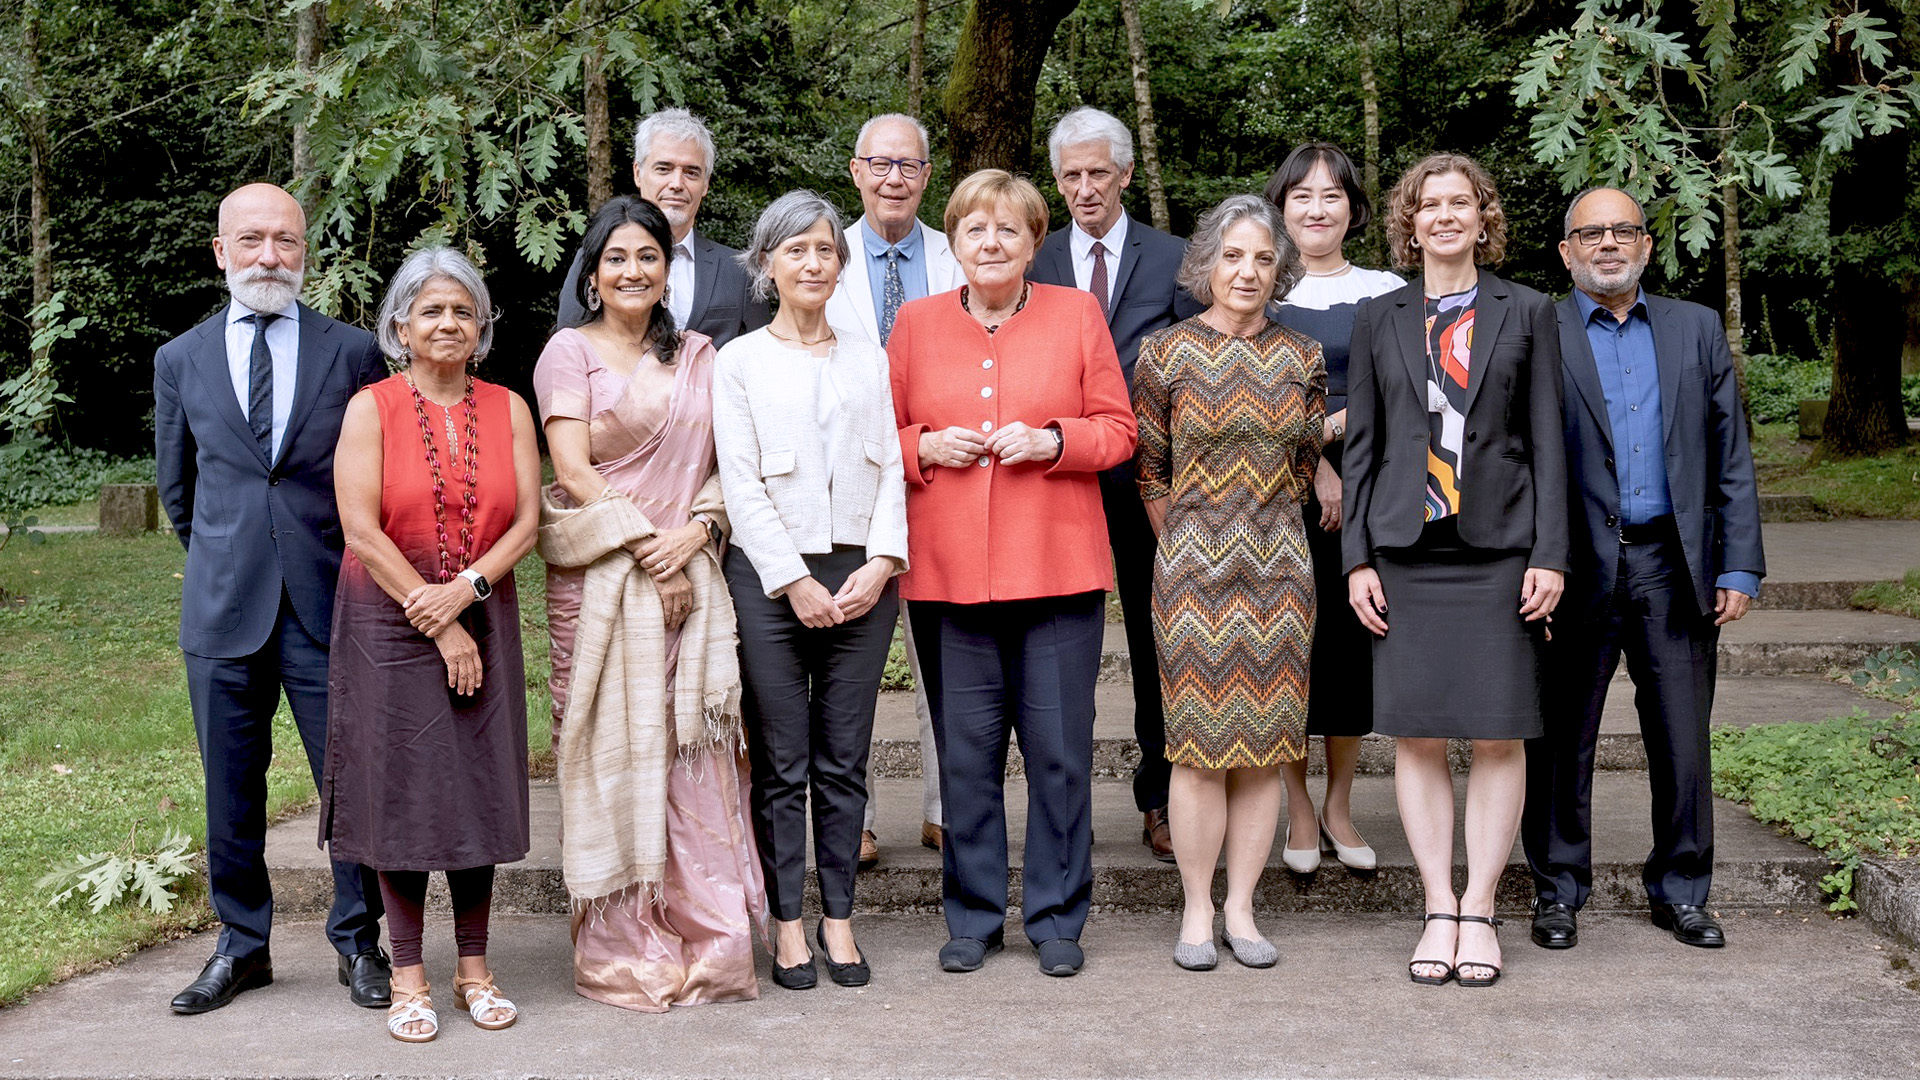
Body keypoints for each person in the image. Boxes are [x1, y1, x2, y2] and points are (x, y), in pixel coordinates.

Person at [889, 169, 1137, 978]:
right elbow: (877, 438)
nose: (990, 244)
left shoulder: (1077, 314)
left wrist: (1057, 440)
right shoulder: (916, 324)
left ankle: (1059, 918)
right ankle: (972, 914)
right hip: (948, 575)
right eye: (973, 230)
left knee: (1062, 752)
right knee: (966, 755)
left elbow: (1119, 431)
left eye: (1007, 230)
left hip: (1057, 569)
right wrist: (921, 446)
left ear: (1036, 241)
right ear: (952, 242)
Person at [153, 182, 389, 1015]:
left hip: (331, 603)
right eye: (251, 240)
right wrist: (233, 557)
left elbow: (374, 479)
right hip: (222, 610)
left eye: (285, 241)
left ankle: (360, 942)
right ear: (221, 252)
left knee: (351, 782)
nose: (269, 256)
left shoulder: (353, 351)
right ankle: (241, 946)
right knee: (230, 786)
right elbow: (178, 492)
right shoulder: (179, 359)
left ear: (304, 252)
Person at [533, 195, 765, 1012]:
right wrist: (649, 552)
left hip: (691, 573)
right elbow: (572, 469)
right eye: (617, 259)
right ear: (592, 275)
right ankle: (625, 943)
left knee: (694, 753)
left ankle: (708, 933)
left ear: (670, 271)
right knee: (615, 752)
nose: (634, 271)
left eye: (649, 258)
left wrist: (696, 535)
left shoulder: (702, 352)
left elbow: (728, 461)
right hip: (602, 581)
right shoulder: (568, 352)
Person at [1341, 153, 1568, 988]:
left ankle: (1482, 909)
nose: (1443, 216)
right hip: (1404, 549)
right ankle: (1438, 906)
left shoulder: (1530, 310)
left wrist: (1551, 553)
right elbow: (1362, 448)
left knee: (1501, 731)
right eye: (1428, 204)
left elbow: (1550, 440)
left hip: (1502, 548)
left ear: (1483, 217)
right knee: (1419, 734)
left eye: (1459, 203)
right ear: (1410, 222)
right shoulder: (1379, 316)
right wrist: (1356, 557)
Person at [1522, 187, 1765, 952]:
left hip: (1675, 562)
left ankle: (1683, 891)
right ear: (1565, 252)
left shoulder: (1695, 329)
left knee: (1683, 738)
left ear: (1647, 246)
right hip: (1574, 565)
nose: (1607, 244)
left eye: (1623, 230)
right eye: (1590, 233)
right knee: (1562, 740)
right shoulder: (1537, 329)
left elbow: (1731, 454)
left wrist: (1740, 567)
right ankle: (1559, 891)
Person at [323, 248, 541, 1042]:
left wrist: (469, 594)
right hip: (388, 620)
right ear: (401, 326)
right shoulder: (370, 407)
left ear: (481, 328)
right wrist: (439, 618)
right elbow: (359, 529)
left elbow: (526, 524)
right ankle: (408, 972)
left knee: (476, 788)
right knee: (402, 792)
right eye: (431, 311)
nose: (448, 323)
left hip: (484, 610)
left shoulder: (509, 407)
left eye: (463, 311)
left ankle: (475, 969)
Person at [714, 191, 910, 990]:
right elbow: (740, 480)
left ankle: (839, 919)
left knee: (844, 759)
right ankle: (785, 925)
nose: (813, 262)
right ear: (768, 264)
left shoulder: (871, 357)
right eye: (796, 250)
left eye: (826, 249)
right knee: (783, 761)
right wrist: (791, 580)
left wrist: (885, 560)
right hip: (771, 581)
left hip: (862, 575)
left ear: (841, 262)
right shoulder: (740, 362)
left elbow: (893, 466)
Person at [1133, 195, 1324, 970]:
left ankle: (1243, 910)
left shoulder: (1303, 356)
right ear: (1207, 263)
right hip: (1190, 578)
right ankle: (1195, 913)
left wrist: (1258, 534)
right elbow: (1150, 471)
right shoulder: (1164, 353)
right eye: (1232, 256)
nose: (1246, 272)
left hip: (1281, 575)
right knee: (1198, 749)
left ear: (1280, 269)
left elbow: (1306, 465)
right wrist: (1187, 549)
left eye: (1262, 258)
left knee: (1266, 750)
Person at [1028, 106, 1196, 862]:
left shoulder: (1178, 258)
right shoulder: (1035, 258)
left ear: (1126, 174)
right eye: (1072, 175)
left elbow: (1202, 361)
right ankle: (1057, 809)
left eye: (1099, 173)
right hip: (1055, 480)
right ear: (1057, 182)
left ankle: (1160, 795)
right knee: (1053, 649)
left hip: (1150, 482)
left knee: (1159, 640)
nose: (1086, 188)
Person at [821, 112, 962, 866]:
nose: (894, 178)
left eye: (908, 165)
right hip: (845, 482)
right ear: (856, 171)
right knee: (852, 657)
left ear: (927, 176)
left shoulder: (956, 255)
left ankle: (946, 808)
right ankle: (858, 817)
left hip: (939, 476)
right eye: (880, 164)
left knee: (941, 650)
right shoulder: (821, 253)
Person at [1262, 143, 1406, 875]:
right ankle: (1297, 806)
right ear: (1281, 207)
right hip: (1276, 496)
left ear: (1353, 207)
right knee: (1291, 654)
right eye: (1301, 197)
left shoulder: (1387, 288)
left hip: (1373, 494)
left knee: (1351, 655)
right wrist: (1317, 456)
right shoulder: (1259, 285)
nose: (1316, 209)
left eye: (1332, 196)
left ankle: (1341, 802)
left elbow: (1407, 391)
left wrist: (1348, 432)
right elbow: (1254, 396)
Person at [555, 108, 769, 344]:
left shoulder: (739, 272)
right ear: (638, 173)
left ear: (705, 184)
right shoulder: (598, 260)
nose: (677, 183)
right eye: (664, 169)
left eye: (691, 172)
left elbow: (760, 360)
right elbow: (569, 345)